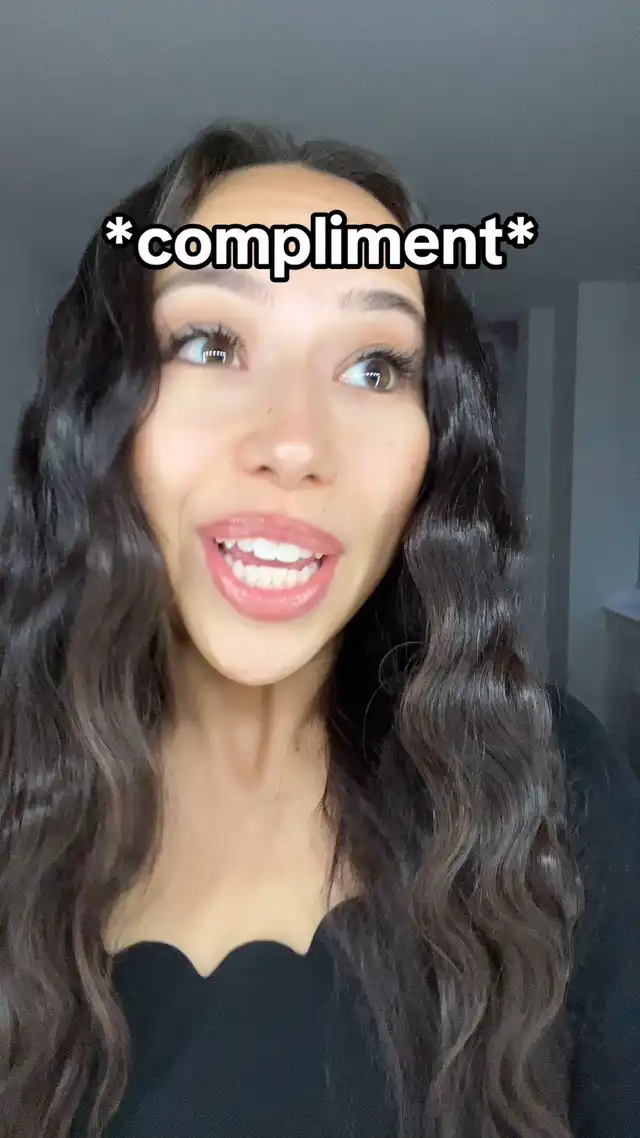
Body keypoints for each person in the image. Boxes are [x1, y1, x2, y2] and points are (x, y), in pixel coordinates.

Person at [0, 122, 637, 1138]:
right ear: (100, 417)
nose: (295, 442)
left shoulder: (554, 781)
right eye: (211, 344)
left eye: (375, 367)